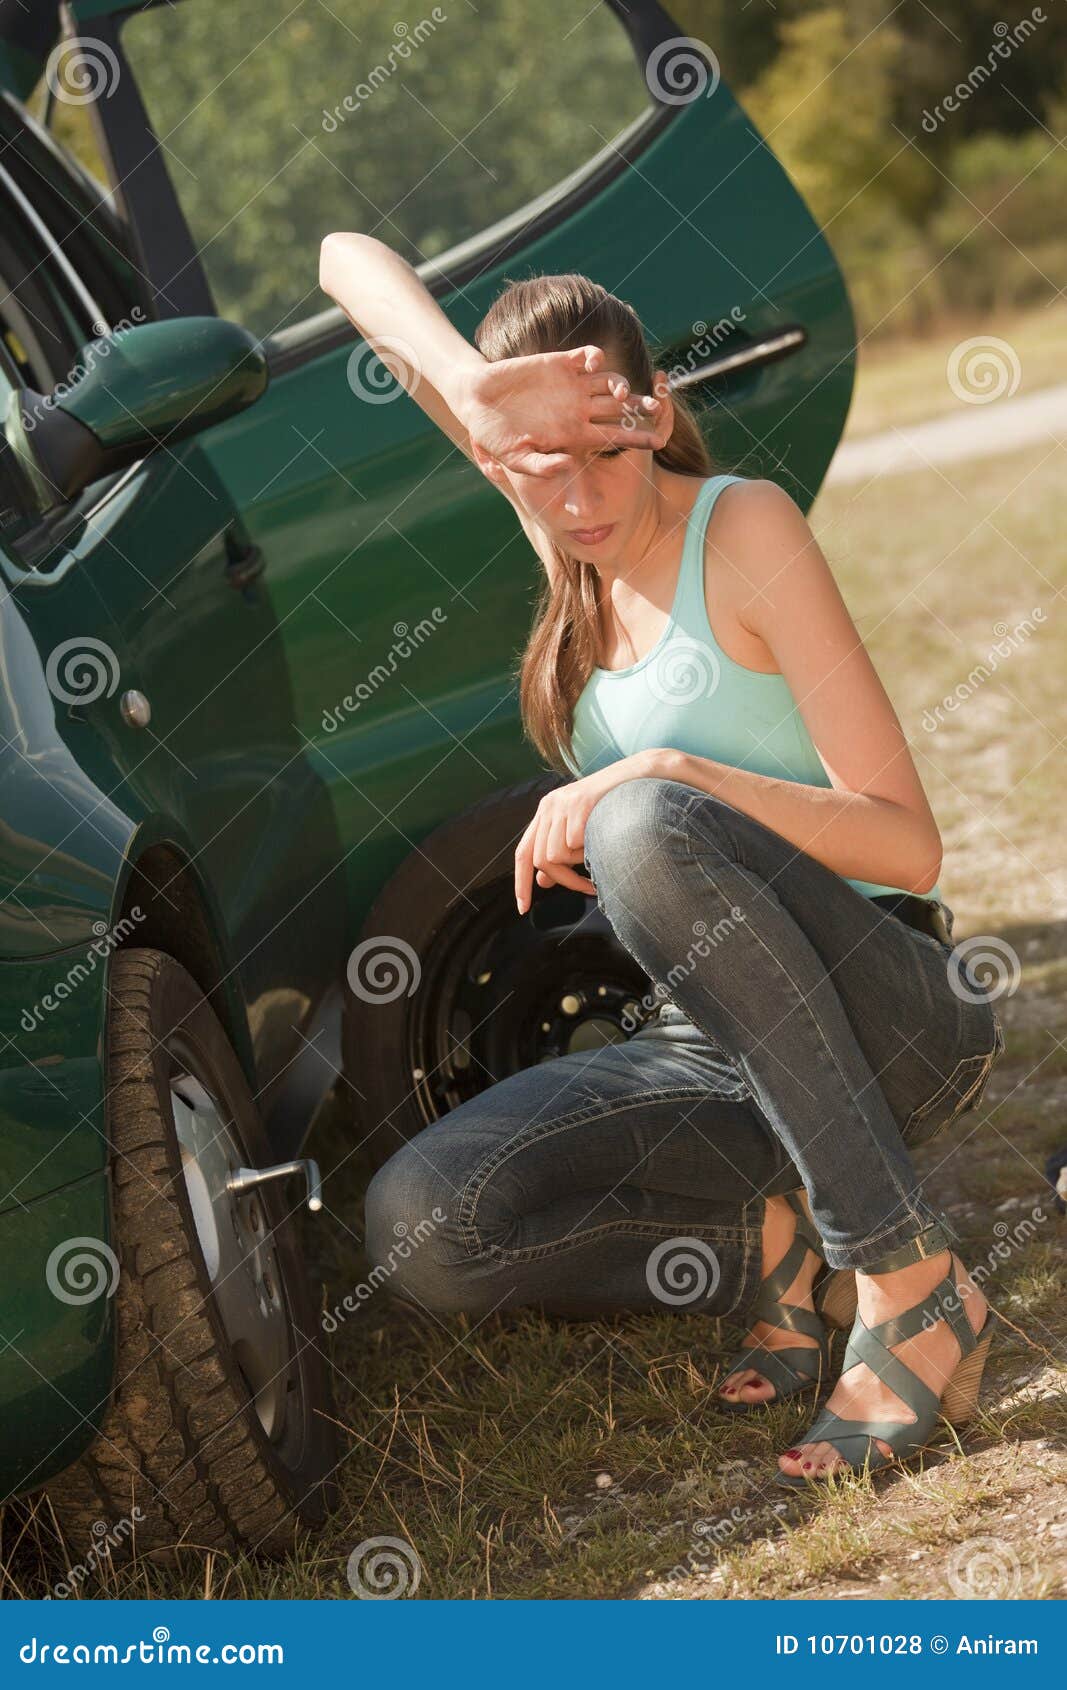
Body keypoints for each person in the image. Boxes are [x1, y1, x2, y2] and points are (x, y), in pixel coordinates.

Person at [318, 235, 1005, 1485]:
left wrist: (665, 774)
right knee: (420, 1227)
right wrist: (477, 400)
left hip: (884, 1014)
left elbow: (904, 840)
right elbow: (341, 259)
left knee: (643, 823)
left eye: (603, 452)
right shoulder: (559, 538)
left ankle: (904, 1277)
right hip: (713, 1048)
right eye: (538, 467)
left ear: (655, 416)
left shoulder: (740, 526)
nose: (577, 498)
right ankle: (770, 1246)